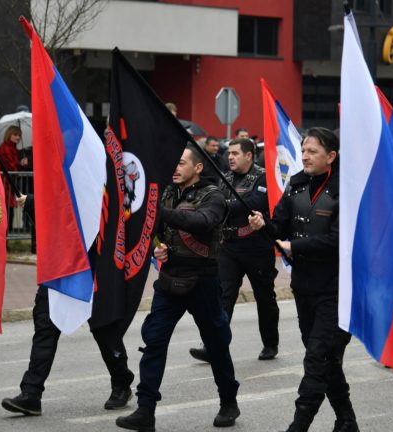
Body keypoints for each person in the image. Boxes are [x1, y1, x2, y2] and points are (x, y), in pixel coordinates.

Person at [116, 144, 240, 431]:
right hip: (170, 279)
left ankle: (228, 401)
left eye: (182, 163)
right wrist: (156, 249)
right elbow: (154, 231)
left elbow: (202, 222)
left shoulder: (214, 196)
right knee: (154, 341)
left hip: (204, 280)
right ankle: (145, 410)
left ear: (197, 168)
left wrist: (159, 212)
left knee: (217, 345)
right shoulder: (168, 193)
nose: (175, 167)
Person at [248, 127, 358, 432]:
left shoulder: (344, 190)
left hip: (336, 291)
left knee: (316, 358)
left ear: (331, 156)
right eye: (304, 150)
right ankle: (347, 421)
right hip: (304, 288)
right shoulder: (295, 185)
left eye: (312, 151)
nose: (305, 156)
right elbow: (279, 228)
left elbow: (338, 240)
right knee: (327, 360)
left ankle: (299, 425)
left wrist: (295, 247)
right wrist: (263, 225)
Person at [1, 194, 137, 416]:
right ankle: (31, 393)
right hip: (61, 265)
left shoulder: (103, 171)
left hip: (95, 265)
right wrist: (34, 202)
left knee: (104, 329)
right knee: (46, 324)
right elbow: (58, 207)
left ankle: (121, 382)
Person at [189, 138, 279, 363]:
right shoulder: (224, 178)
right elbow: (213, 200)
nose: (230, 157)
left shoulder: (262, 177)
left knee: (264, 296)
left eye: (236, 153)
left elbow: (253, 203)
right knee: (223, 295)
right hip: (228, 246)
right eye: (229, 153)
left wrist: (222, 206)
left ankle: (270, 343)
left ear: (249, 155)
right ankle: (213, 345)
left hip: (257, 245)